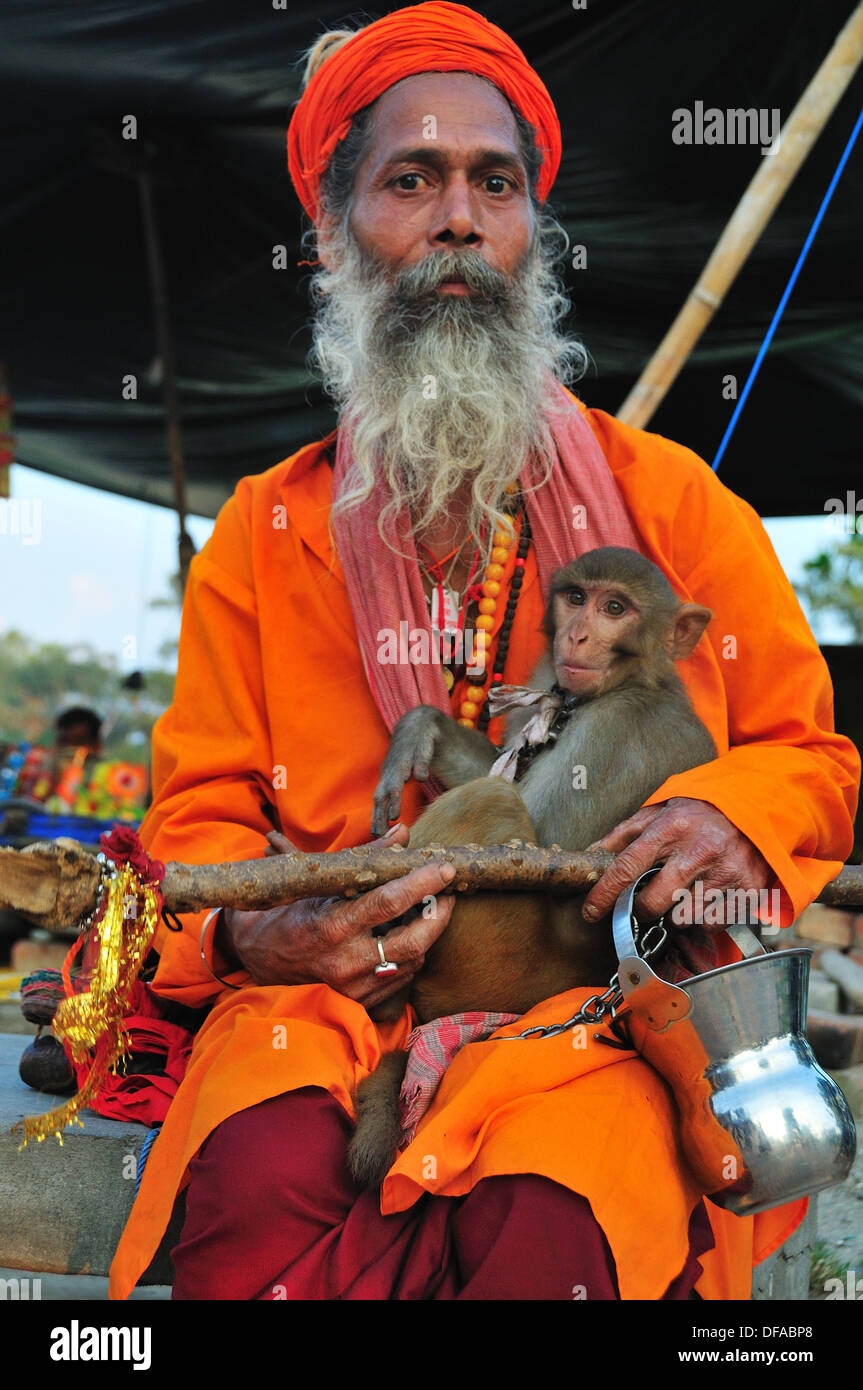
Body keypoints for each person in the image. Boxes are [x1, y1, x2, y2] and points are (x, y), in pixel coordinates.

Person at [109, 3, 860, 1301]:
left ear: (530, 234)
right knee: (259, 1173)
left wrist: (729, 818)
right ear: (335, 238)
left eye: (492, 183)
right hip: (331, 1016)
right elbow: (202, 825)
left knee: (555, 1217)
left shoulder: (675, 508)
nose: (459, 217)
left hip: (592, 1010)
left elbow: (808, 754)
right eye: (413, 178)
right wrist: (269, 931)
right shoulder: (261, 532)